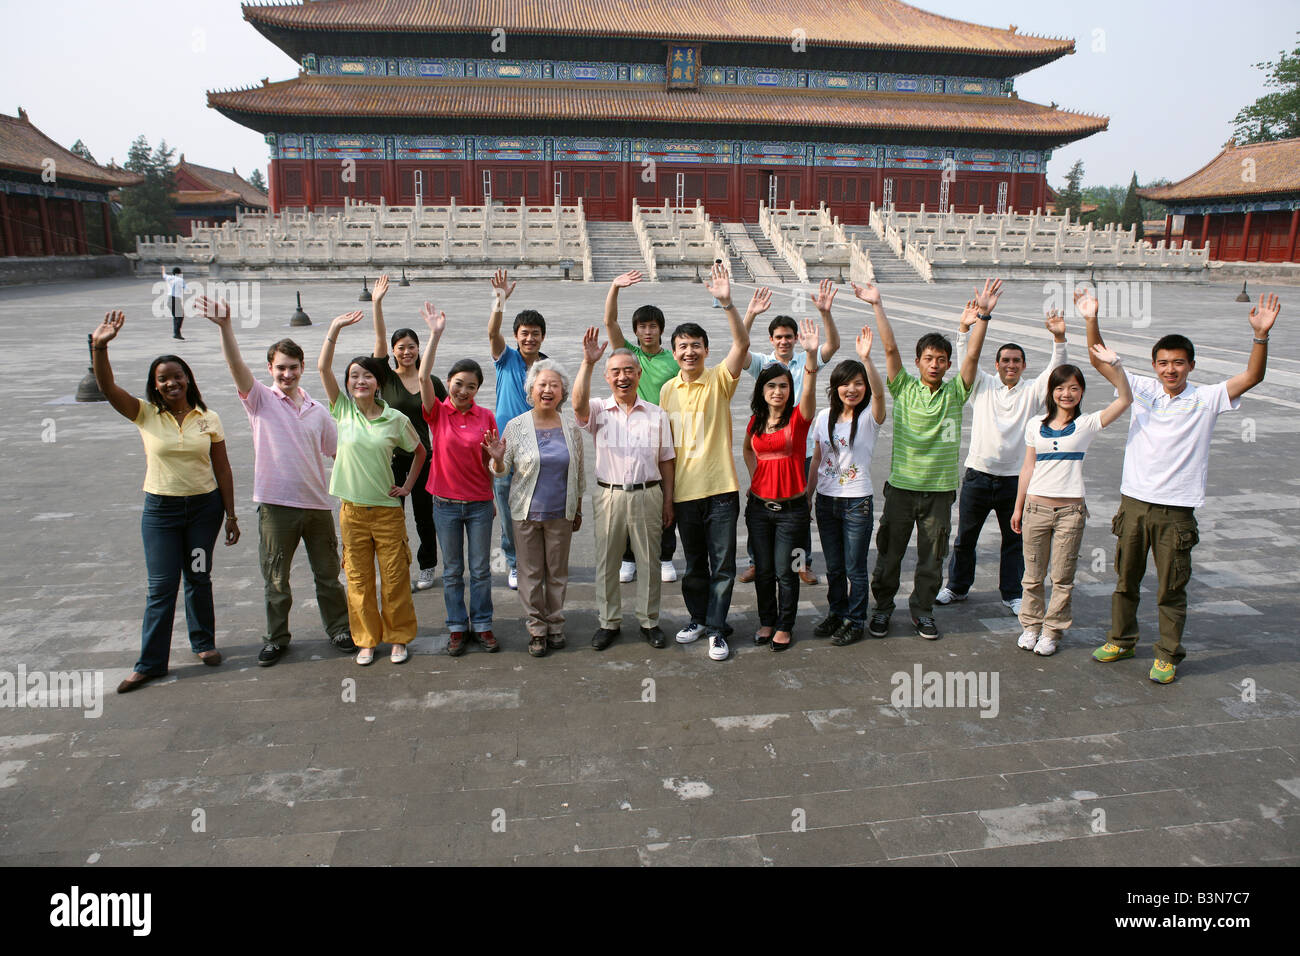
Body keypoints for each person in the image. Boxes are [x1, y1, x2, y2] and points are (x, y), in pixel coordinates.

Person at [1085, 289, 1280, 683]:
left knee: (1171, 587)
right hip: (1134, 503)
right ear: (1153, 365)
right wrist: (1091, 318)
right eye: (1163, 363)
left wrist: (1260, 336)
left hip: (1175, 510)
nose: (1169, 370)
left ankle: (1168, 654)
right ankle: (1121, 640)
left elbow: (1252, 377)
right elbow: (1100, 359)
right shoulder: (1141, 390)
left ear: (1191, 365)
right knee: (1125, 580)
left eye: (1177, 363)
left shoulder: (1206, 398)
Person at [200, 294, 354, 667]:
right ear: (269, 369)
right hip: (276, 507)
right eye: (280, 368)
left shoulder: (318, 412)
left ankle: (338, 629)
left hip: (317, 506)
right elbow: (236, 366)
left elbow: (341, 454)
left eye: (294, 367)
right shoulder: (260, 402)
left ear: (302, 368)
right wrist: (226, 328)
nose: (287, 374)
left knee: (328, 577)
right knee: (276, 580)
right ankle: (276, 637)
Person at [90, 310, 239, 693]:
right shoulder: (145, 414)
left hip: (204, 512)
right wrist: (99, 348)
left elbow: (222, 469)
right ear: (155, 386)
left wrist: (232, 515)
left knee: (198, 576)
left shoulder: (209, 418)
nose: (171, 382)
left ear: (188, 378)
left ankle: (203, 643)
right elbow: (107, 389)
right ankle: (150, 662)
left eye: (177, 375)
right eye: (163, 379)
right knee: (161, 585)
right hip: (161, 512)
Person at [857, 278, 997, 640]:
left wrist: (982, 316)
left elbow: (974, 357)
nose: (934, 365)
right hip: (902, 490)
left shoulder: (955, 393)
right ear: (917, 362)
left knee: (932, 560)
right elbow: (888, 350)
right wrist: (877, 303)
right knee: (889, 556)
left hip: (939, 493)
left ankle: (922, 611)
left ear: (948, 364)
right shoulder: (902, 387)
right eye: (928, 359)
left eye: (941, 360)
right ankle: (883, 609)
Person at [937, 305, 1069, 614]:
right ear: (996, 364)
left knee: (1015, 540)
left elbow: (1054, 371)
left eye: (1016, 361)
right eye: (1005, 360)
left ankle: (1012, 592)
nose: (1010, 365)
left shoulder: (1033, 392)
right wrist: (964, 330)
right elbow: (967, 361)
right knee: (965, 537)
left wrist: (1059, 339)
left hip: (1015, 480)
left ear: (1024, 366)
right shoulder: (982, 386)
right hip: (978, 476)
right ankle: (956, 586)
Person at [318, 311, 426, 665]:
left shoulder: (395, 419)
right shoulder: (342, 410)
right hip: (351, 511)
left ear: (378, 382)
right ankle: (365, 639)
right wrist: (335, 329)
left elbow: (420, 451)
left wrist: (407, 485)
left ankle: (398, 637)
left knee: (394, 579)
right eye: (354, 376)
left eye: (366, 376)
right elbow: (322, 368)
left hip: (386, 510)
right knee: (359, 580)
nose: (359, 381)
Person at [1010, 346, 1132, 656]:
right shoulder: (1035, 425)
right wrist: (1018, 506)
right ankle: (1030, 627)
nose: (1067, 394)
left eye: (1074, 388)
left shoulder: (1088, 424)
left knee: (1062, 577)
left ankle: (1052, 632)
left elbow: (1125, 400)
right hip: (1035, 508)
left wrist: (1116, 366)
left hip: (1070, 512)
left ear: (1081, 393)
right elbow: (1028, 467)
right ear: (1051, 392)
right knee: (1032, 575)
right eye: (1061, 387)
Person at [659, 262, 751, 662]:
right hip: (684, 492)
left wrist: (728, 305)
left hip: (720, 491)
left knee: (723, 565)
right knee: (694, 563)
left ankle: (717, 629)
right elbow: (666, 450)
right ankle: (698, 617)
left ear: (706, 350)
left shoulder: (719, 379)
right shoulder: (667, 390)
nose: (690, 351)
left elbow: (742, 347)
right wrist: (667, 496)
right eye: (682, 346)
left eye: (696, 345)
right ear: (674, 351)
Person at [573, 327, 676, 650]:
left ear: (639, 373)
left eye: (629, 370)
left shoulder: (657, 414)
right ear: (607, 376)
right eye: (616, 371)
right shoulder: (600, 410)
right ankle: (609, 621)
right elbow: (576, 405)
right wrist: (588, 363)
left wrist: (668, 501)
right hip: (609, 494)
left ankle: (649, 620)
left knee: (649, 561)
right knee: (607, 562)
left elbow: (666, 461)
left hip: (648, 493)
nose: (623, 377)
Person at [738, 279, 840, 587]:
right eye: (779, 337)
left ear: (796, 338)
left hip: (801, 447)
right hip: (768, 445)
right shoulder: (763, 364)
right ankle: (757, 562)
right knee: (760, 509)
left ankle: (801, 563)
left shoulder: (805, 359)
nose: (784, 341)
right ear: (771, 339)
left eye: (788, 337)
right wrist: (750, 313)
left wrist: (825, 314)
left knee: (799, 509)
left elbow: (832, 346)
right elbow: (739, 348)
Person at [485, 361, 585, 657]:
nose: (547, 390)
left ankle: (555, 624)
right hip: (526, 514)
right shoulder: (516, 426)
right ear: (531, 390)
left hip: (561, 513)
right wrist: (499, 459)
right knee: (530, 574)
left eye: (554, 385)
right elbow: (500, 472)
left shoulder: (570, 427)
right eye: (542, 384)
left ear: (563, 392)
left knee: (557, 573)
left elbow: (577, 471)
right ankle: (537, 630)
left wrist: (577, 507)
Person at [417, 305, 500, 657]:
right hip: (445, 504)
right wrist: (435, 335)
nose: (464, 390)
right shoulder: (437, 412)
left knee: (480, 570)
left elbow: (495, 468)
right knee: (452, 571)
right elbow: (422, 379)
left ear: (478, 388)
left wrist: (498, 458)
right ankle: (456, 626)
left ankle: (481, 624)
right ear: (448, 384)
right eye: (458, 384)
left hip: (480, 504)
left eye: (471, 386)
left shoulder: (486, 416)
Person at [743, 318, 822, 651]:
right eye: (771, 386)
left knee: (786, 571)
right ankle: (766, 620)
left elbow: (809, 389)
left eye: (783, 386)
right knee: (762, 571)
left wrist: (812, 357)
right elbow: (747, 449)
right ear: (762, 391)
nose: (777, 391)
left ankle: (785, 625)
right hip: (759, 508)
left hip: (792, 510)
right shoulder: (756, 420)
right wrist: (755, 477)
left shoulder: (798, 419)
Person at [368, 273, 448, 592]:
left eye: (411, 347)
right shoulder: (385, 379)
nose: (407, 353)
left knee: (425, 518)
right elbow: (377, 344)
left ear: (418, 349)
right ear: (394, 351)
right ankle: (398, 566)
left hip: (425, 459)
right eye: (401, 348)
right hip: (392, 460)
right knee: (393, 519)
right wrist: (377, 304)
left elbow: (445, 418)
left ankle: (427, 566)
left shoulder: (431, 381)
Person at [808, 325, 887, 646]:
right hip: (826, 502)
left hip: (857, 503)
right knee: (835, 567)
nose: (852, 389)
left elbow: (881, 394)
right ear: (835, 386)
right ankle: (837, 613)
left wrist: (867, 360)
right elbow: (815, 460)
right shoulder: (823, 416)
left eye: (858, 384)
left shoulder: (870, 417)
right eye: (845, 383)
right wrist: (807, 497)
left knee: (855, 568)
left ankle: (856, 620)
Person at [603, 270, 681, 584]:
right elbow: (609, 323)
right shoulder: (629, 355)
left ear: (661, 330)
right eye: (642, 327)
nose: (647, 332)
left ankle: (664, 556)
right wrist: (614, 287)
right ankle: (628, 558)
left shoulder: (673, 360)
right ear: (635, 331)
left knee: (666, 497)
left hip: (664, 437)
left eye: (652, 326)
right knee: (628, 497)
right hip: (630, 436)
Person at [488, 268, 547, 591]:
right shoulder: (506, 358)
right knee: (509, 508)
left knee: (536, 505)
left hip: (536, 446)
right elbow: (491, 332)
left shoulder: (546, 367)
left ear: (542, 336)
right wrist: (499, 300)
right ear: (516, 336)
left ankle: (534, 559)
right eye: (524, 333)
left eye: (535, 333)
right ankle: (513, 561)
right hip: (506, 446)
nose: (529, 338)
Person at [162, 266, 186, 340]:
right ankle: (176, 333)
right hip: (176, 299)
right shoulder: (180, 279)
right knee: (180, 316)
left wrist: (163, 269)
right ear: (179, 273)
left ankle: (177, 333)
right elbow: (184, 288)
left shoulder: (169, 278)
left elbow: (163, 275)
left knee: (176, 317)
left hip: (169, 299)